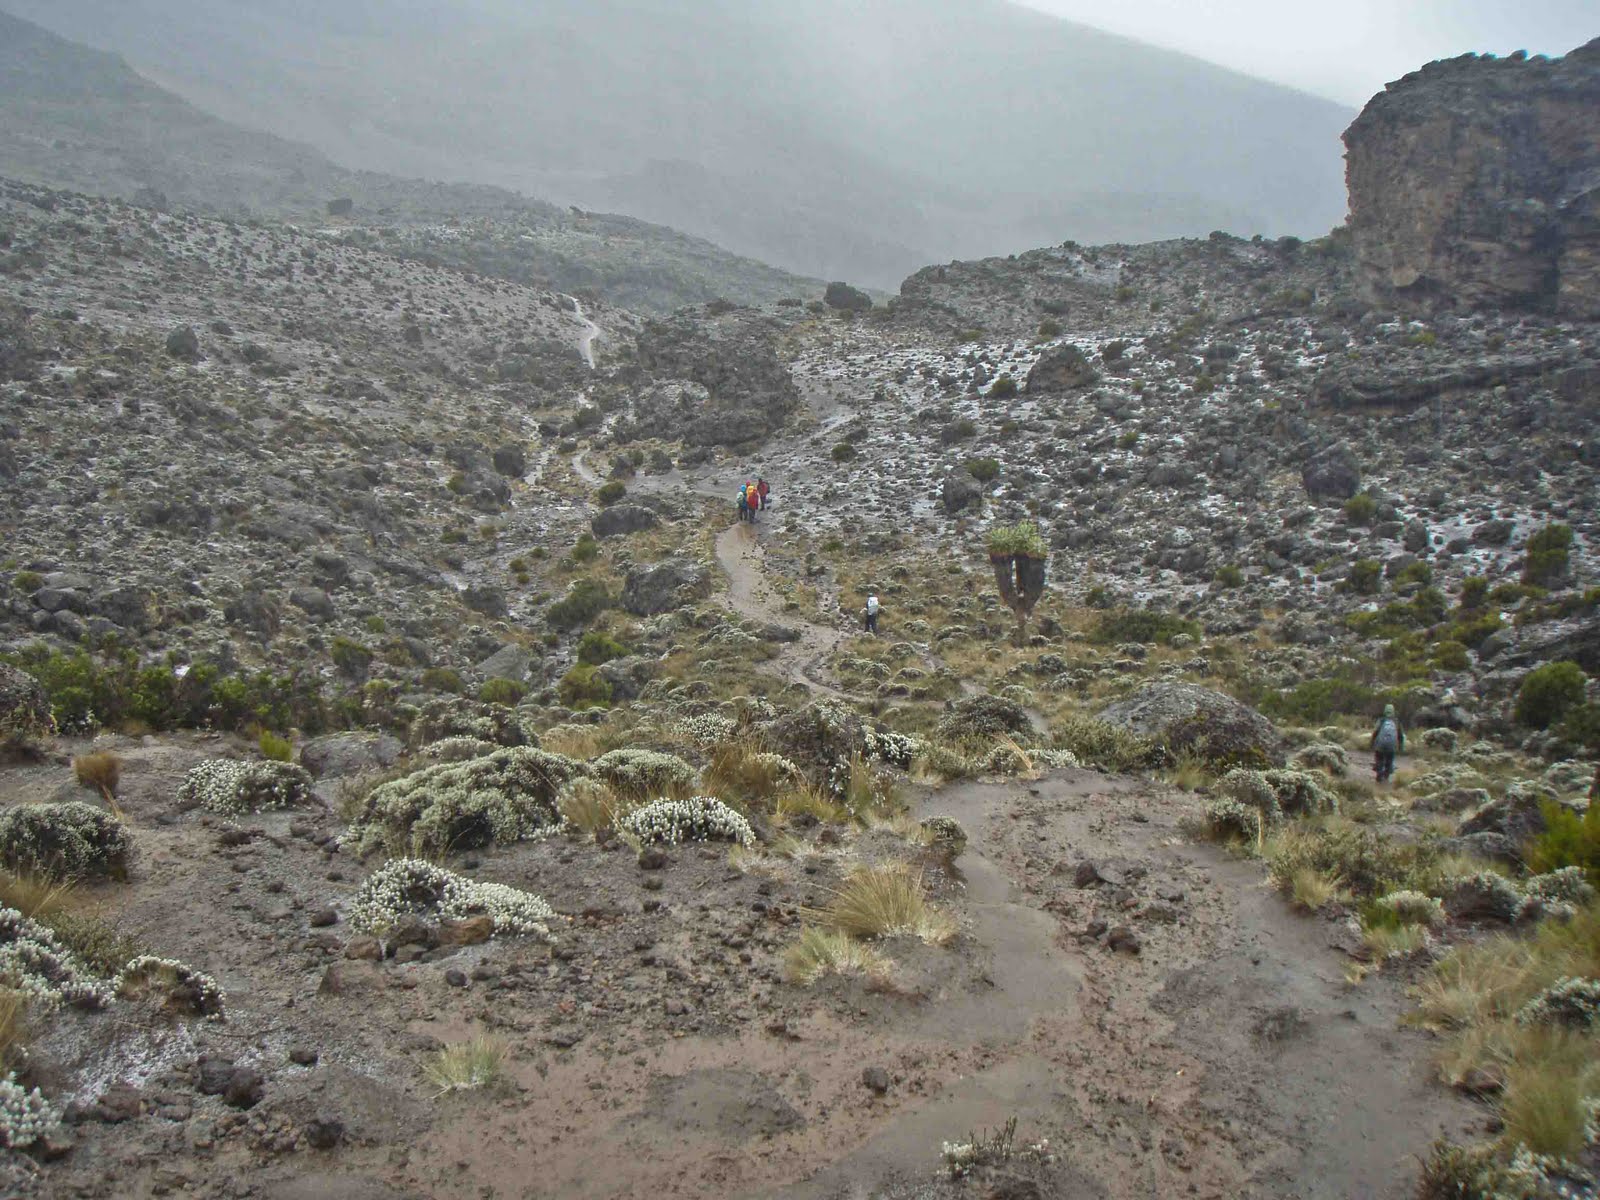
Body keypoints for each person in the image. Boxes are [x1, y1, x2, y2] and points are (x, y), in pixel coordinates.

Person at [1371, 703, 1403, 784]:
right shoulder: (1396, 721)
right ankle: (1386, 777)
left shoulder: (1381, 720)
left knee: (1379, 757)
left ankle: (1379, 774)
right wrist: (1401, 747)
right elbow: (1400, 736)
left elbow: (1375, 732)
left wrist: (1371, 743)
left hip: (1380, 745)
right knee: (1389, 759)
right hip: (1391, 745)